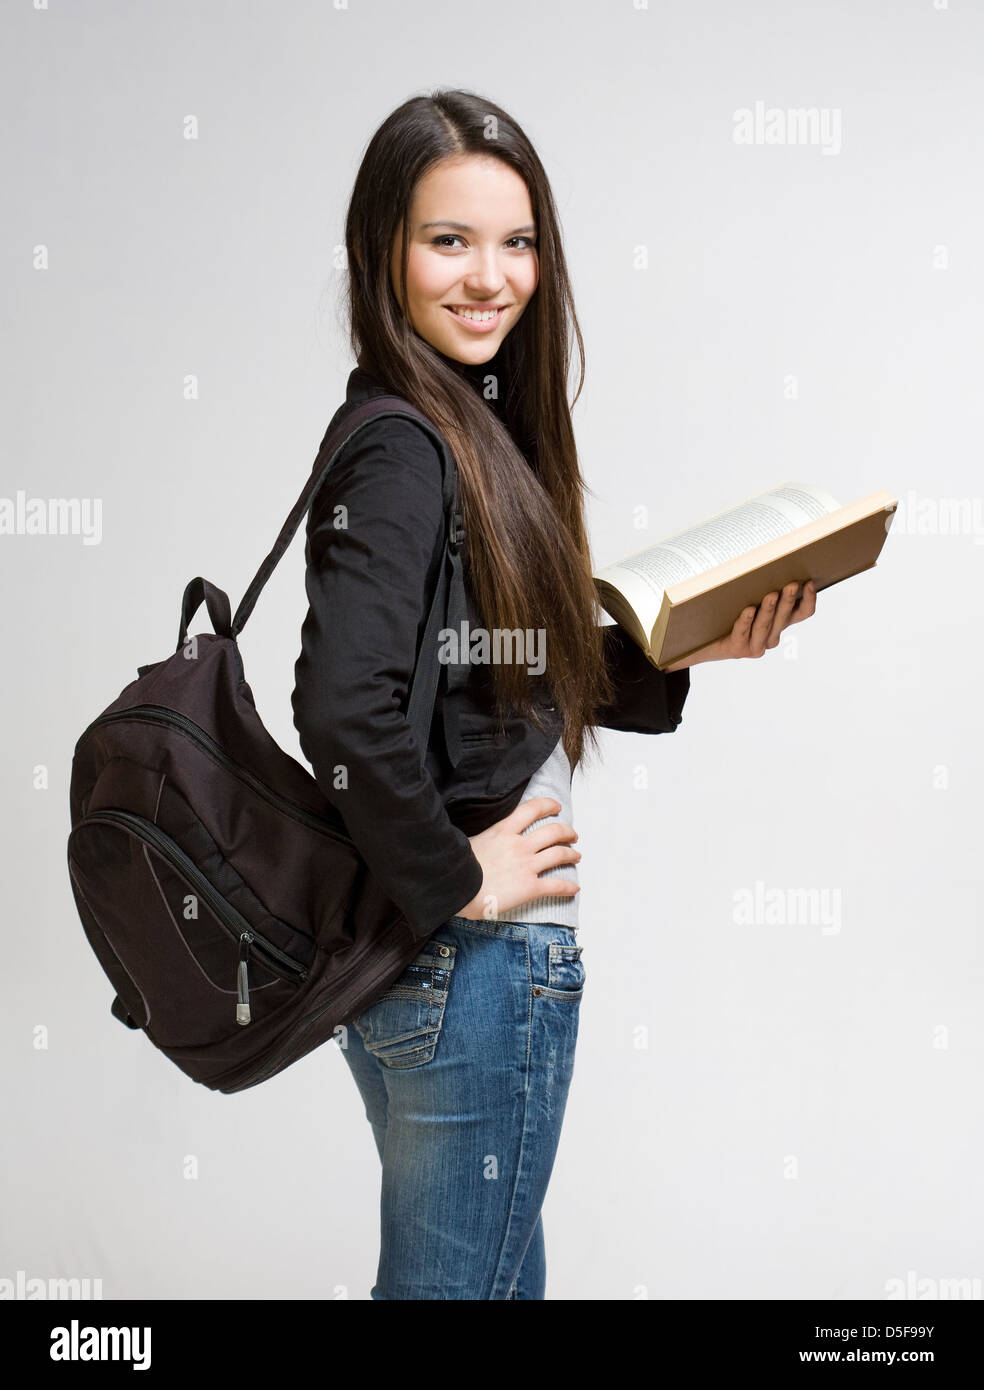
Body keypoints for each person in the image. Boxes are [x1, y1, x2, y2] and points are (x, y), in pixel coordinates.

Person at [291, 89, 817, 1301]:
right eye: (449, 241)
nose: (491, 277)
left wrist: (683, 648)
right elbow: (342, 705)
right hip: (465, 968)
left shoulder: (454, 427)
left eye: (517, 242)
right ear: (386, 253)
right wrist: (461, 877)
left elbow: (478, 655)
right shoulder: (405, 440)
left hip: (436, 971)